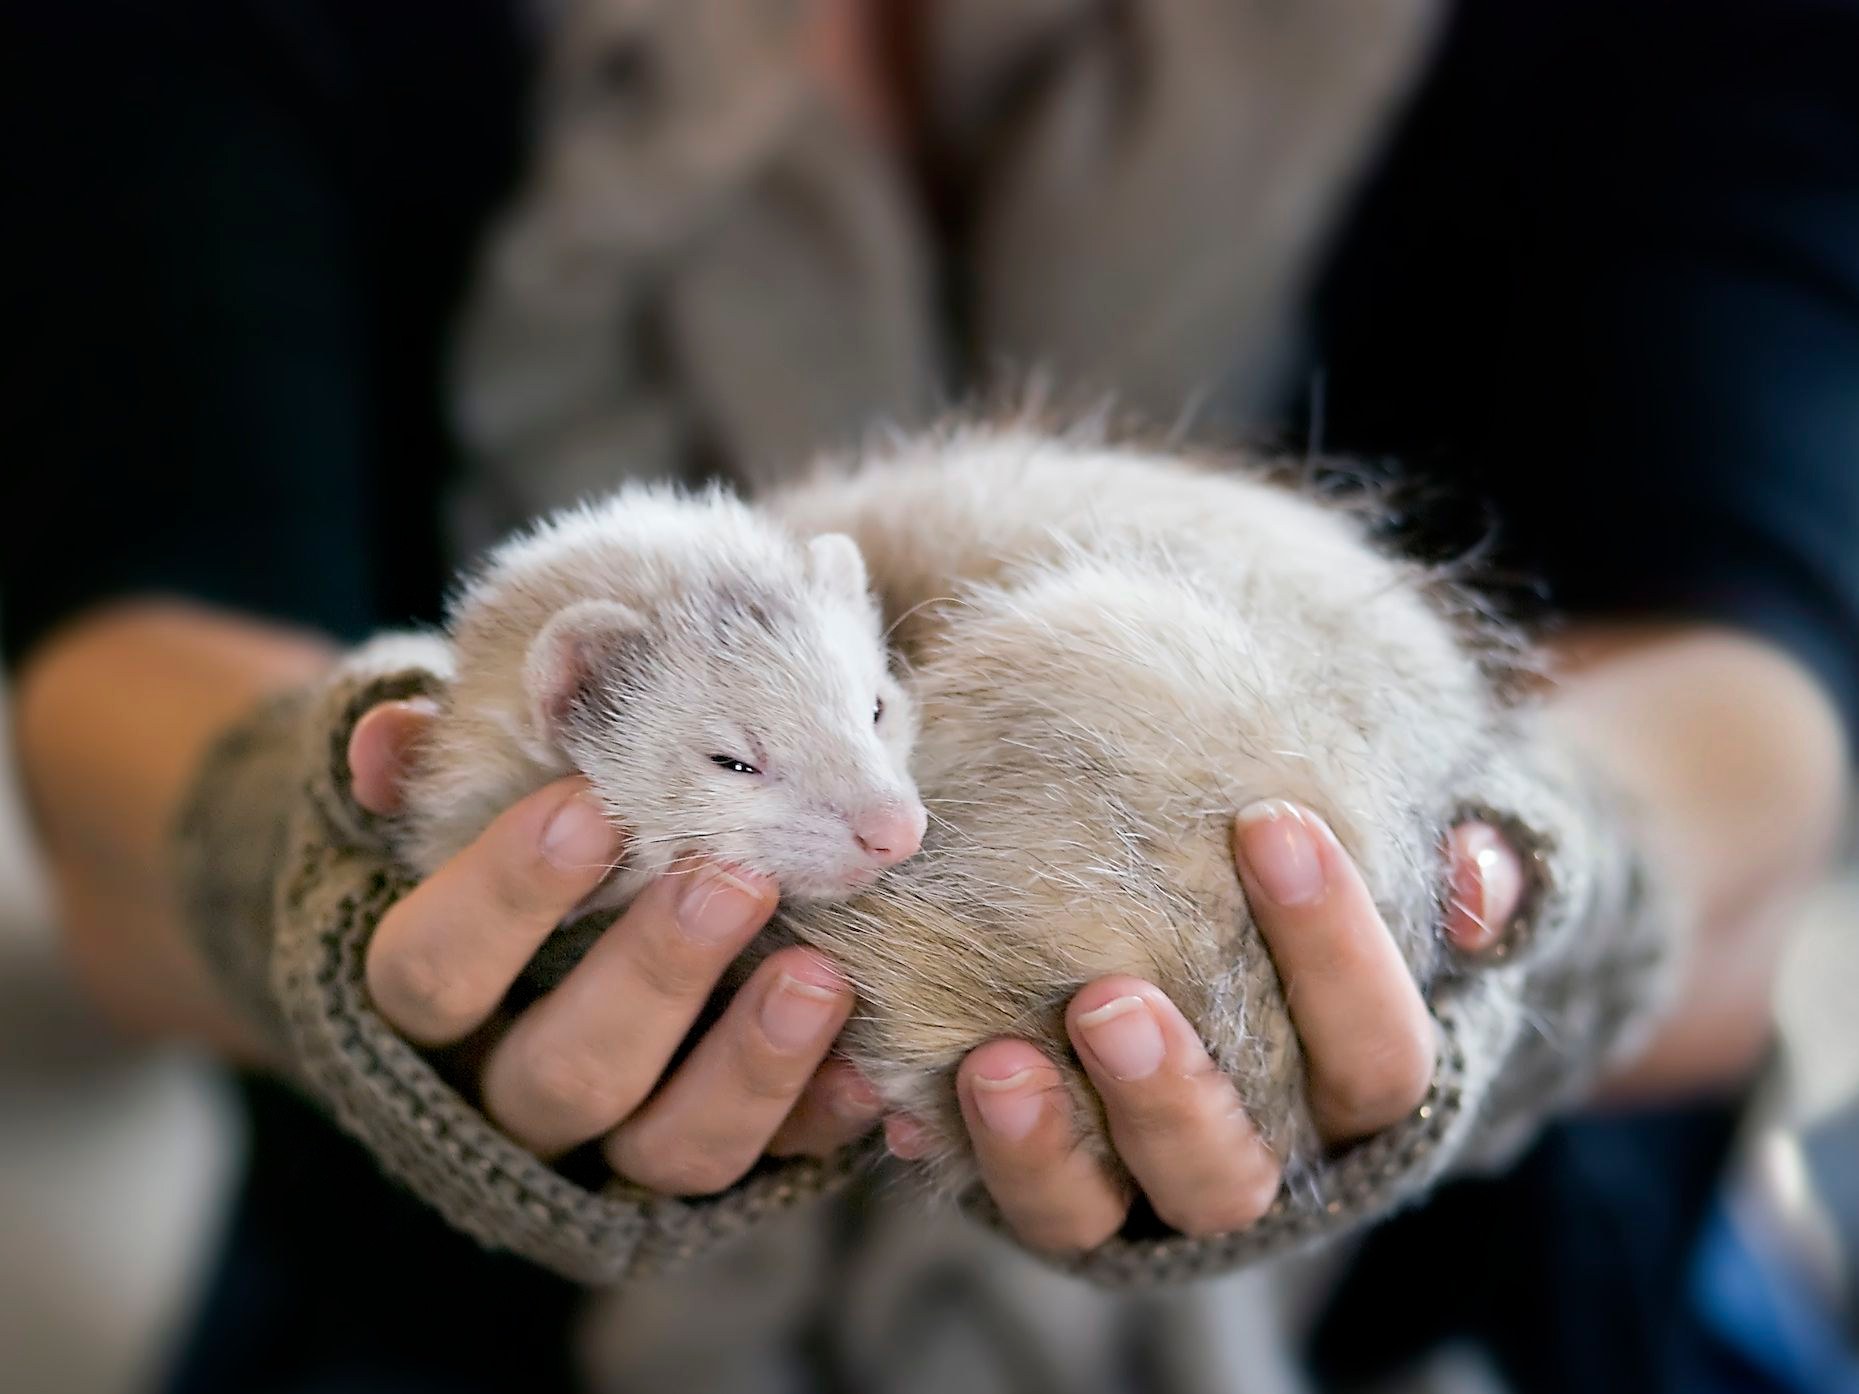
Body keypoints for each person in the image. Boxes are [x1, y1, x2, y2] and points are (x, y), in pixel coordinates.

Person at [4, 2, 1853, 1391]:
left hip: (1466, 1328)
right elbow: (118, 662)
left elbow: (1765, 688)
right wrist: (325, 862)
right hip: (431, 1333)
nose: (891, 834)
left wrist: (1528, 896)